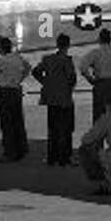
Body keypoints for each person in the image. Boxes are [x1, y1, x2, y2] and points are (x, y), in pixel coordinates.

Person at [32, 33, 77, 166]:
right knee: (66, 129)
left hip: (51, 98)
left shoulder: (48, 59)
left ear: (57, 44)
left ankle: (52, 157)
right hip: (64, 99)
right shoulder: (67, 60)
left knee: (53, 129)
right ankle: (65, 158)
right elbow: (72, 79)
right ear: (68, 45)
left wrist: (46, 83)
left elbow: (35, 71)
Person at [0, 35, 31, 161]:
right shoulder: (17, 57)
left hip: (5, 91)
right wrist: (20, 79)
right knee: (18, 120)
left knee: (6, 123)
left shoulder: (2, 61)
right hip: (16, 90)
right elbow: (28, 67)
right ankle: (21, 148)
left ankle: (10, 151)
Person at [79, 28, 111, 122]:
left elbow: (82, 66)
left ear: (99, 40)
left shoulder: (95, 53)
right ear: (110, 40)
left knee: (99, 119)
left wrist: (90, 79)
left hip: (101, 86)